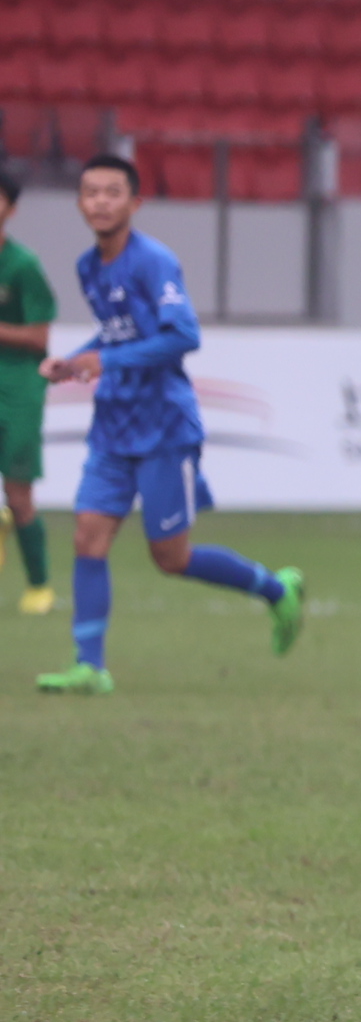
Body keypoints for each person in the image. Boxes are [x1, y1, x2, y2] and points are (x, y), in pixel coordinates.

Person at [36, 154, 301, 695]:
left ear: (135, 202)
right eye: (91, 192)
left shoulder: (154, 261)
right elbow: (114, 338)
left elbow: (183, 336)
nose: (101, 202)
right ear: (80, 203)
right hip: (113, 425)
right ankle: (90, 666)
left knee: (171, 558)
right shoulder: (89, 267)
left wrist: (107, 361)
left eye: (113, 192)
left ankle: (275, 589)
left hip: (162, 427)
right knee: (88, 536)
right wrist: (74, 360)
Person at [0, 167, 55, 615]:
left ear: (11, 209)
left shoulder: (22, 266)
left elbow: (39, 338)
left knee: (18, 494)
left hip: (17, 386)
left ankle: (39, 585)